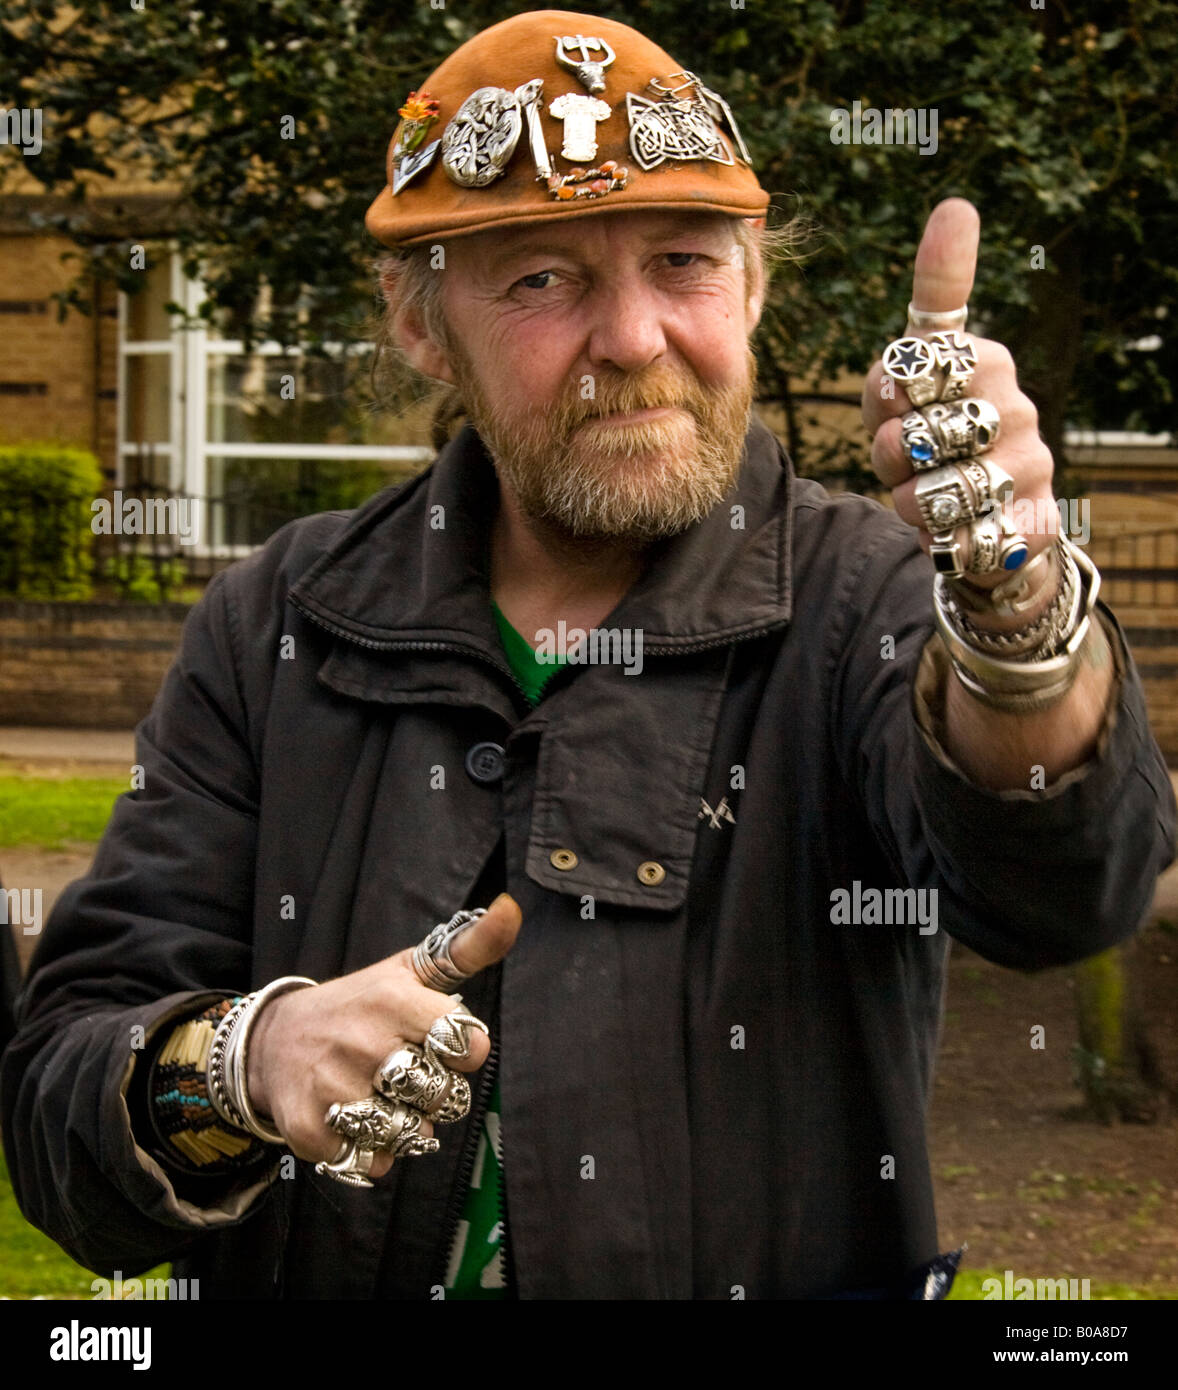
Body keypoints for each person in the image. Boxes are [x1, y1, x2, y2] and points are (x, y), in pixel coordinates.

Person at [2, 9, 1174, 1301]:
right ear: (420, 322)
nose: (633, 337)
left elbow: (1061, 892)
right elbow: (62, 1107)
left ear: (753, 286)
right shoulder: (275, 621)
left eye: (684, 261)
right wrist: (247, 1056)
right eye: (541, 280)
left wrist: (1013, 619)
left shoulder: (863, 600)